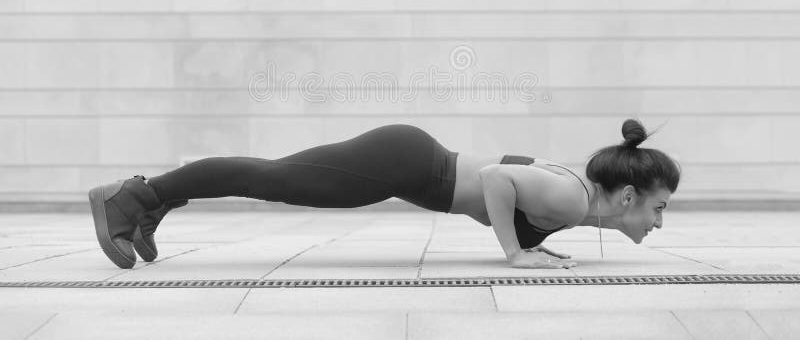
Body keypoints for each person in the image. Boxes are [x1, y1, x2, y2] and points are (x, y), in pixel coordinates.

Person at [88, 119, 680, 270]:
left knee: (272, 175)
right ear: (626, 196)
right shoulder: (575, 201)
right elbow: (499, 179)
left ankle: (155, 202)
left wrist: (531, 242)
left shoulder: (575, 198)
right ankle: (137, 194)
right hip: (405, 163)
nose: (658, 222)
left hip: (408, 159)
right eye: (658, 207)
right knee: (269, 177)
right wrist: (516, 251)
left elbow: (508, 185)